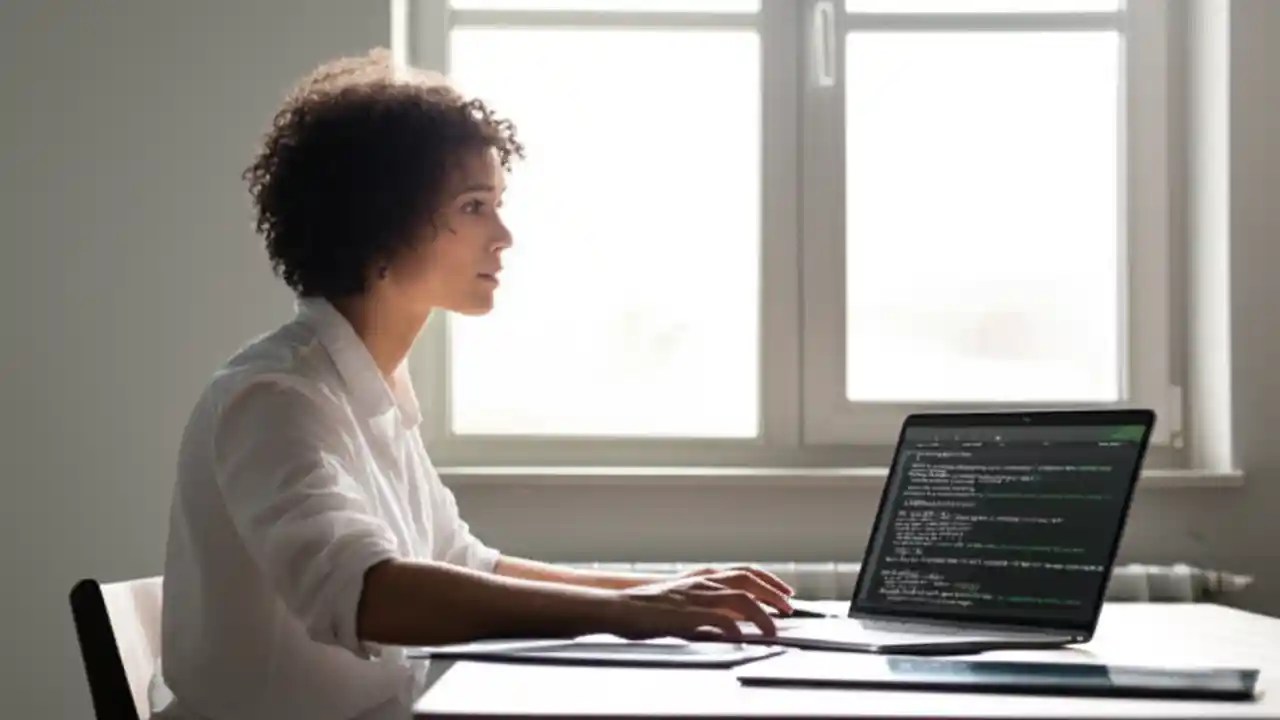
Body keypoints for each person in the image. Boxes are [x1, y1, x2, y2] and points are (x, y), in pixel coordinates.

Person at [157, 48, 794, 720]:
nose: (504, 235)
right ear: (380, 218)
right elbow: (366, 594)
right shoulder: (275, 398)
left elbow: (464, 564)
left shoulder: (368, 391)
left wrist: (665, 592)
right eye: (473, 206)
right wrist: (632, 611)